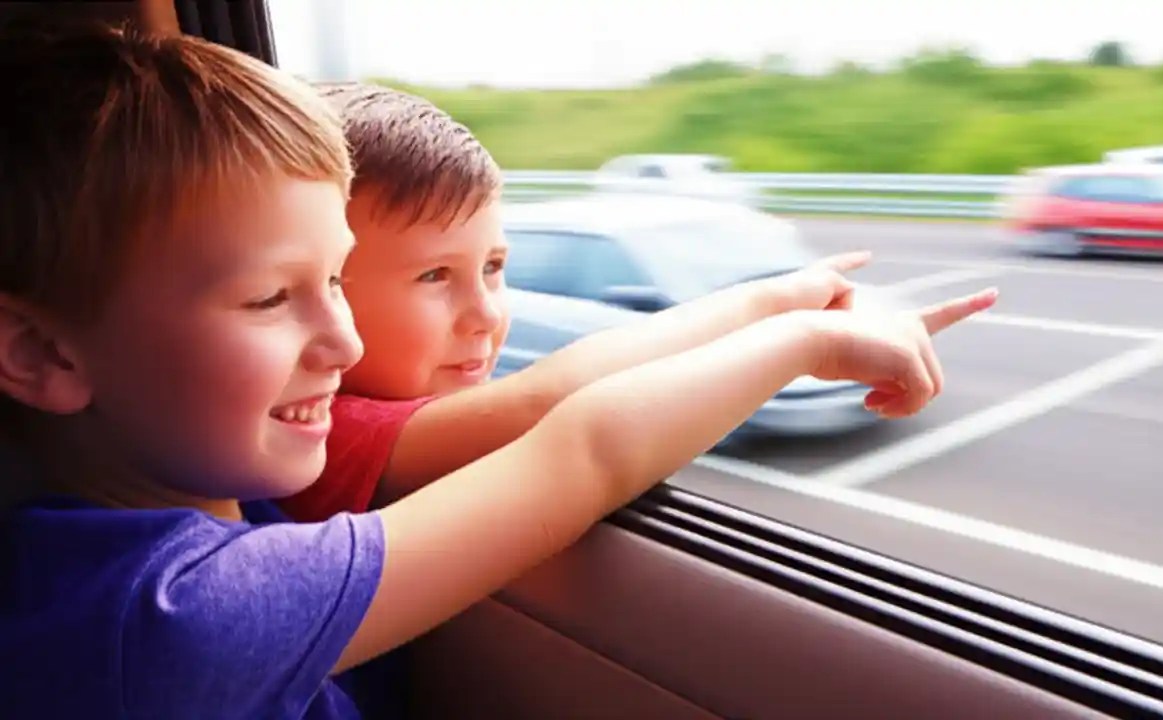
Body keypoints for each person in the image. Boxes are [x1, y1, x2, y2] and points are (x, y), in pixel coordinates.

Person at [0, 23, 995, 719]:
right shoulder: (175, 615)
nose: (342, 347)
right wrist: (800, 341)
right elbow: (578, 449)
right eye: (270, 298)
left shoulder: (180, 514)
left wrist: (774, 303)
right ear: (43, 353)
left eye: (339, 282)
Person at [281, 82, 894, 521]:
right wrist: (780, 310)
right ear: (323, 287)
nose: (487, 313)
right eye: (435, 276)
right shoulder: (322, 434)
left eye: (494, 267)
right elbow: (553, 401)